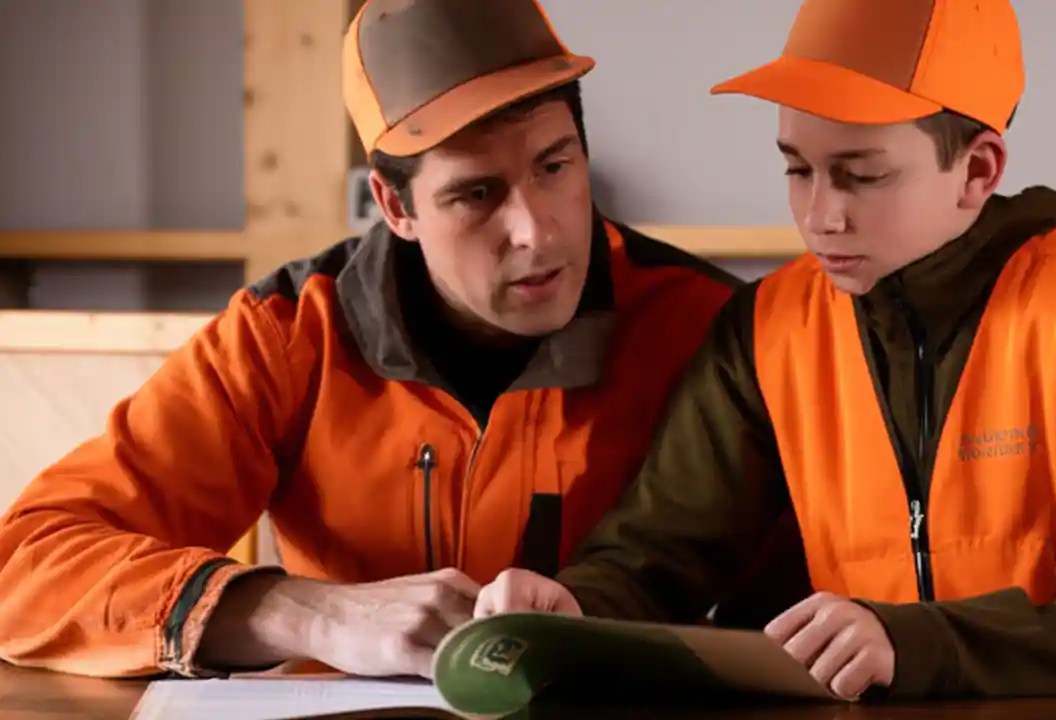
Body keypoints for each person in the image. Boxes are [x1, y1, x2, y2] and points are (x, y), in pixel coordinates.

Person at [476, 0, 1056, 703]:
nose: (820, 215)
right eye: (797, 169)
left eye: (860, 177)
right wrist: (574, 607)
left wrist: (918, 644)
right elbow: (656, 561)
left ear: (978, 169)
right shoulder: (765, 327)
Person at [0, 0, 764, 680]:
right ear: (394, 206)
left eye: (554, 166)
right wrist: (307, 615)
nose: (536, 231)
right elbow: (24, 568)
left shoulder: (711, 330)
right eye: (476, 194)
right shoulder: (286, 337)